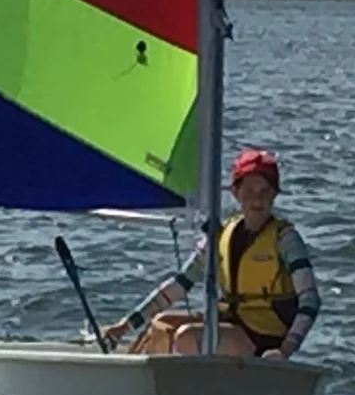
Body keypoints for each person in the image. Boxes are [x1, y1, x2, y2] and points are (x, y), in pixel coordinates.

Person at [103, 148, 322, 359]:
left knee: (188, 337)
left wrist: (284, 351)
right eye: (249, 191)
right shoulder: (221, 235)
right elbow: (179, 284)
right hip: (230, 323)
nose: (257, 199)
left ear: (275, 194)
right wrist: (126, 325)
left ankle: (187, 392)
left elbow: (310, 300)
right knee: (161, 324)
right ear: (236, 192)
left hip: (264, 339)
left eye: (265, 191)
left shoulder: (286, 239)